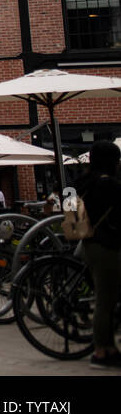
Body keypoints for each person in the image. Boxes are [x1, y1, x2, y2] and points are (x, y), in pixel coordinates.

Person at [79, 140, 121, 367]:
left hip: (87, 242)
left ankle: (110, 347)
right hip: (106, 245)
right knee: (106, 301)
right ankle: (101, 352)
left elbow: (64, 203)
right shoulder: (109, 185)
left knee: (107, 297)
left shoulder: (83, 181)